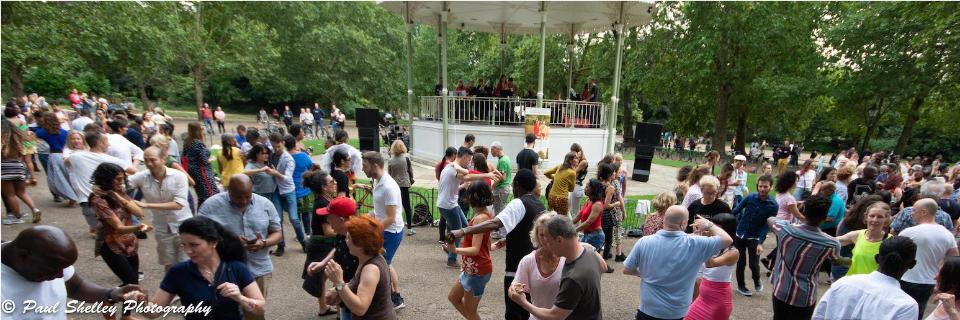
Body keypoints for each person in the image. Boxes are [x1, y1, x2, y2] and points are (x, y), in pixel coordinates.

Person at [448, 169, 545, 320]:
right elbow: (529, 233)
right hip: (534, 267)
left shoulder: (519, 203)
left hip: (516, 269)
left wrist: (462, 231)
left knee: (514, 314)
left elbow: (495, 223)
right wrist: (507, 240)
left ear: (517, 185)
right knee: (525, 311)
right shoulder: (539, 205)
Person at [129, 216, 266, 319]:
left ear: (213, 243)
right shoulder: (178, 272)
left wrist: (240, 298)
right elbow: (154, 311)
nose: (188, 251)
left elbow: (260, 309)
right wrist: (140, 303)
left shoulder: (236, 268)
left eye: (194, 245)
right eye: (184, 245)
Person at [1, 226, 141, 320]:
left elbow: (76, 287)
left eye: (64, 268)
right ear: (22, 256)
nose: (60, 275)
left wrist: (110, 294)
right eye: (53, 270)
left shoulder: (50, 259)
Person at [623, 205, 733, 320]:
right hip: (676, 312)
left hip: (648, 309)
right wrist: (709, 224)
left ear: (664, 220)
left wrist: (643, 273)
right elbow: (727, 240)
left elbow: (627, 269)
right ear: (683, 224)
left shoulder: (644, 242)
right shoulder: (697, 244)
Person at [199, 175, 282, 320]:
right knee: (227, 313)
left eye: (248, 196)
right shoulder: (210, 206)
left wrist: (263, 243)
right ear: (228, 190)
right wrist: (229, 241)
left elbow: (277, 232)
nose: (243, 201)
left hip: (259, 269)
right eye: (238, 197)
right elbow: (199, 235)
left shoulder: (265, 204)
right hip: (225, 271)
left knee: (255, 312)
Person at [507, 215, 603, 320]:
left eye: (548, 238)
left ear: (559, 238)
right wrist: (515, 289)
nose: (545, 241)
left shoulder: (572, 268)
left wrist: (524, 302)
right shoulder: (588, 254)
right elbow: (514, 287)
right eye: (542, 235)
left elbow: (555, 316)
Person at [766, 194, 842, 320]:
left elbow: (770, 219)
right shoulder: (831, 243)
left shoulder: (785, 230)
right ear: (825, 217)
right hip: (805, 296)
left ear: (804, 211)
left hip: (781, 290)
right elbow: (836, 261)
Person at [812, 236, 920, 320]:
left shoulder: (844, 282)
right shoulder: (906, 305)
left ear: (877, 258)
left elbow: (818, 316)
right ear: (912, 265)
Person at [129, 147, 192, 271]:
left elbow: (178, 204)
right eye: (146, 160)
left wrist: (147, 205)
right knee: (168, 264)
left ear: (163, 159)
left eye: (153, 160)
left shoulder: (178, 176)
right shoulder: (142, 177)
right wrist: (98, 187)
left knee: (187, 262)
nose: (149, 164)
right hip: (162, 227)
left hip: (183, 225)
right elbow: (120, 184)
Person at [90, 163, 153, 285]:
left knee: (133, 283)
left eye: (122, 178)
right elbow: (119, 227)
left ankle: (112, 300)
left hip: (129, 242)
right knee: (131, 282)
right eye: (118, 179)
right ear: (107, 179)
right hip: (110, 245)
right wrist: (138, 227)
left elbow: (139, 212)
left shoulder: (119, 192)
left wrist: (118, 197)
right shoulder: (98, 199)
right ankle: (106, 298)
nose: (122, 182)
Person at [322, 215, 397, 320]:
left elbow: (360, 308)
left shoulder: (370, 269)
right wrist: (337, 291)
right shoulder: (367, 258)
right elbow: (359, 285)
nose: (345, 241)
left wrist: (339, 282)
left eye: (348, 238)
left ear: (360, 245)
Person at [359, 151, 408, 309]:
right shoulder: (377, 181)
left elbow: (391, 217)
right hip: (383, 229)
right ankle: (395, 297)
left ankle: (393, 299)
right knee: (386, 264)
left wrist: (371, 229)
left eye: (365, 166)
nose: (362, 169)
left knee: (382, 265)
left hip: (391, 232)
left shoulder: (388, 186)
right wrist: (366, 217)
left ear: (375, 165)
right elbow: (379, 211)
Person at [437, 147, 500, 267]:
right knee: (458, 231)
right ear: (464, 156)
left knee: (466, 226)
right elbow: (467, 177)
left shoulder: (453, 167)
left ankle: (454, 248)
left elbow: (463, 179)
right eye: (469, 160)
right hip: (449, 205)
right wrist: (487, 175)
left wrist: (462, 186)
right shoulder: (453, 168)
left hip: (450, 204)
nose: (469, 163)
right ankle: (452, 258)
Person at [442, 181, 495, 320]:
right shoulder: (486, 215)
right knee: (453, 297)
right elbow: (487, 245)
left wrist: (454, 250)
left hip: (477, 271)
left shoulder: (480, 219)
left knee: (471, 311)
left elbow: (475, 250)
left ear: (472, 197)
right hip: (471, 269)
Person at [899, 198, 960, 318]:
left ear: (923, 212)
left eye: (914, 210)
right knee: (918, 311)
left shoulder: (908, 232)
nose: (911, 213)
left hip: (905, 278)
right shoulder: (947, 234)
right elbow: (954, 259)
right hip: (928, 282)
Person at [64, 131, 130, 235]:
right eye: (107, 142)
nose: (109, 144)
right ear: (100, 142)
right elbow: (133, 170)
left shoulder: (75, 157)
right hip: (108, 202)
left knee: (100, 233)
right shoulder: (112, 160)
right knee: (115, 232)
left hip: (87, 202)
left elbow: (66, 162)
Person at [301, 168, 340, 316]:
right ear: (323, 186)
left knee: (322, 277)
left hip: (321, 244)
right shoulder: (322, 203)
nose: (335, 183)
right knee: (328, 276)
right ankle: (334, 307)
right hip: (322, 244)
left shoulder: (325, 199)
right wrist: (344, 230)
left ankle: (325, 307)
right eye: (331, 181)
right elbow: (328, 231)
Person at [731, 174, 778, 296]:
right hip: (740, 234)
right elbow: (736, 210)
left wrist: (760, 243)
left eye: (765, 187)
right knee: (740, 263)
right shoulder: (750, 197)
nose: (762, 189)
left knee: (753, 264)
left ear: (770, 187)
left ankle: (756, 280)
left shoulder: (773, 205)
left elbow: (766, 225)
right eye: (760, 186)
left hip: (755, 237)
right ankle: (741, 286)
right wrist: (727, 220)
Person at [687, 214, 740, 320]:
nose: (712, 229)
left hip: (718, 301)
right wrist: (698, 234)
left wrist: (703, 242)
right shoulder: (713, 242)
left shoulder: (733, 252)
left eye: (716, 227)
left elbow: (710, 264)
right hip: (702, 298)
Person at [33, 112, 79, 208]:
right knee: (68, 177)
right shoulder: (64, 132)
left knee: (58, 179)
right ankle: (73, 196)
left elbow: (34, 135)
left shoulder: (43, 132)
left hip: (54, 155)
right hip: (65, 154)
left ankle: (71, 198)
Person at [835, 202, 893, 276]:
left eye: (880, 217)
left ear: (886, 220)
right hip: (853, 283)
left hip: (873, 286)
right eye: (872, 216)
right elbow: (831, 241)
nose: (875, 220)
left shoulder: (890, 241)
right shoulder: (857, 235)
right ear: (866, 217)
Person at [272, 133, 305, 256]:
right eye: (274, 146)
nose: (276, 149)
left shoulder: (288, 158)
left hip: (288, 190)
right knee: (278, 219)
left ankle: (303, 242)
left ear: (283, 144)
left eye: (278, 146)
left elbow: (287, 177)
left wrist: (274, 173)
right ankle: (281, 245)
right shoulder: (272, 155)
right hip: (276, 191)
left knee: (294, 218)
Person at [892, 180, 957, 235]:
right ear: (940, 196)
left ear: (921, 195)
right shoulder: (945, 217)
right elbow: (949, 238)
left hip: (905, 248)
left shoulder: (906, 212)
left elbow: (893, 232)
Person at [183, 122, 220, 207]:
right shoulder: (198, 143)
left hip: (192, 171)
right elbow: (204, 160)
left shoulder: (187, 141)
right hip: (202, 172)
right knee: (211, 193)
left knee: (201, 194)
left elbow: (184, 156)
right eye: (202, 129)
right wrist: (211, 159)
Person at [387, 140, 416, 236]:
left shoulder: (391, 160)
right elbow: (410, 171)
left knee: (395, 206)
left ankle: (395, 226)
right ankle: (410, 228)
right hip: (404, 184)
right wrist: (411, 178)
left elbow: (389, 174)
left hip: (394, 186)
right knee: (407, 207)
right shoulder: (406, 159)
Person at [575, 178, 606, 253]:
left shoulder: (597, 204)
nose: (584, 189)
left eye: (587, 187)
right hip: (587, 234)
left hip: (595, 236)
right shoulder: (588, 200)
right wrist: (567, 224)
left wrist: (573, 230)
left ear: (593, 189)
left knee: (586, 258)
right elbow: (579, 216)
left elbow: (588, 222)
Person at [568, 143, 588, 218]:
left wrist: (572, 163)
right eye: (574, 152)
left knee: (575, 210)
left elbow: (573, 172)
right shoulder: (576, 160)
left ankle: (577, 228)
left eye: (577, 152)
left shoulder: (583, 161)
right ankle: (570, 226)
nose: (576, 154)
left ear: (580, 151)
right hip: (571, 186)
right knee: (567, 209)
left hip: (577, 186)